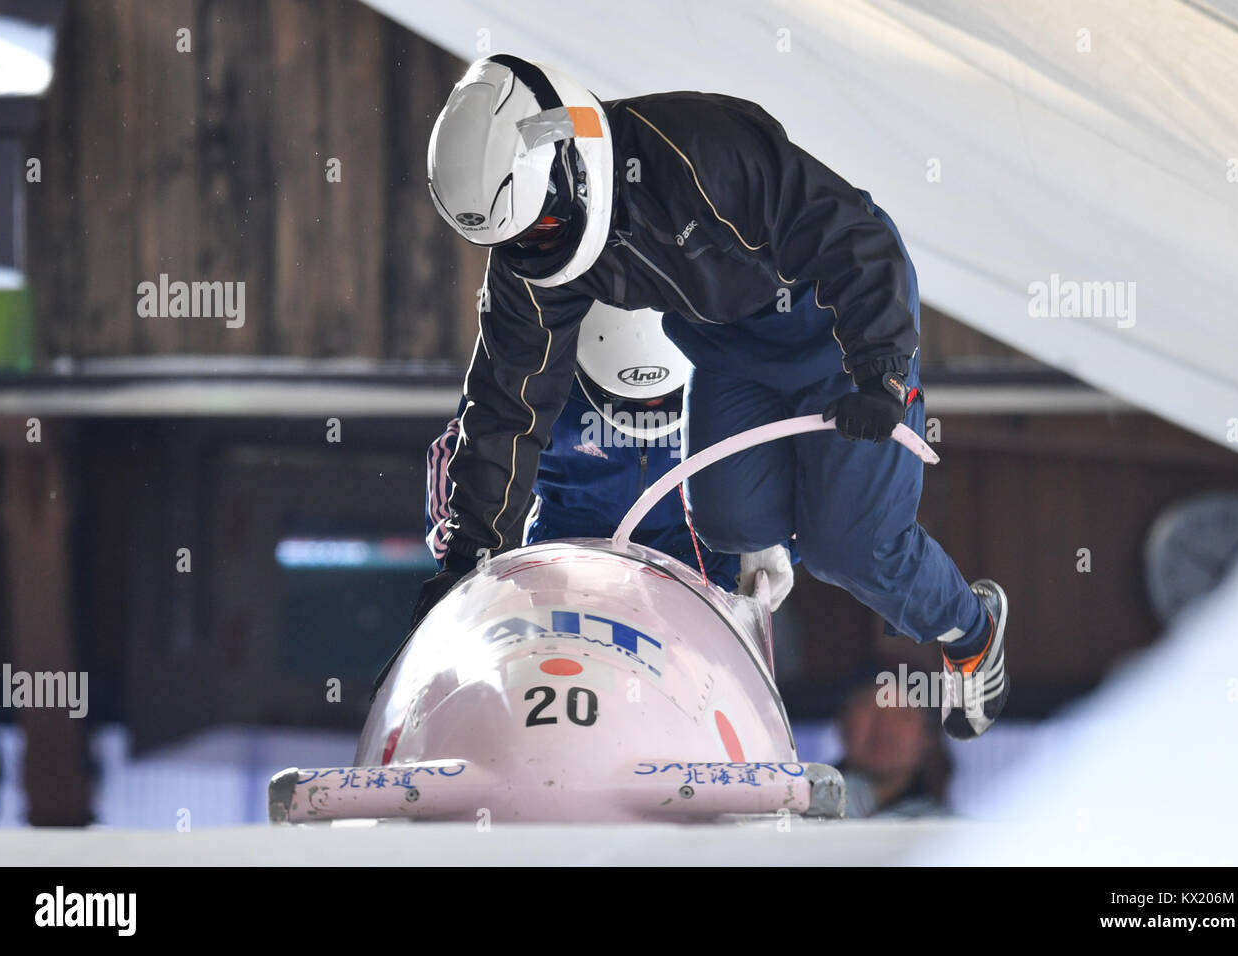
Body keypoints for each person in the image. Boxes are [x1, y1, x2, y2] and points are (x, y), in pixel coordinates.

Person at [418, 54, 1007, 739]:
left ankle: (970, 628)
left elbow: (855, 235)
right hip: (732, 350)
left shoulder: (704, 154)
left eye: (540, 231)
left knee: (850, 547)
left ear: (570, 168)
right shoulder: (532, 262)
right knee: (729, 526)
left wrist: (880, 368)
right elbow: (506, 404)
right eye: (511, 241)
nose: (531, 250)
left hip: (837, 338)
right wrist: (469, 555)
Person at [424, 300, 785, 600]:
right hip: (564, 569)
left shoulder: (731, 369)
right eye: (632, 403)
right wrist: (461, 550)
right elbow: (469, 447)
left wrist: (774, 542)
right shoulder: (536, 375)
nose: (648, 412)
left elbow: (787, 452)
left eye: (663, 402)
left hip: (703, 575)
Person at [835, 668, 952, 818]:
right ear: (842, 722)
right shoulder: (802, 805)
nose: (884, 727)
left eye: (904, 715)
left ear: (929, 736)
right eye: (869, 709)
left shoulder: (947, 828)